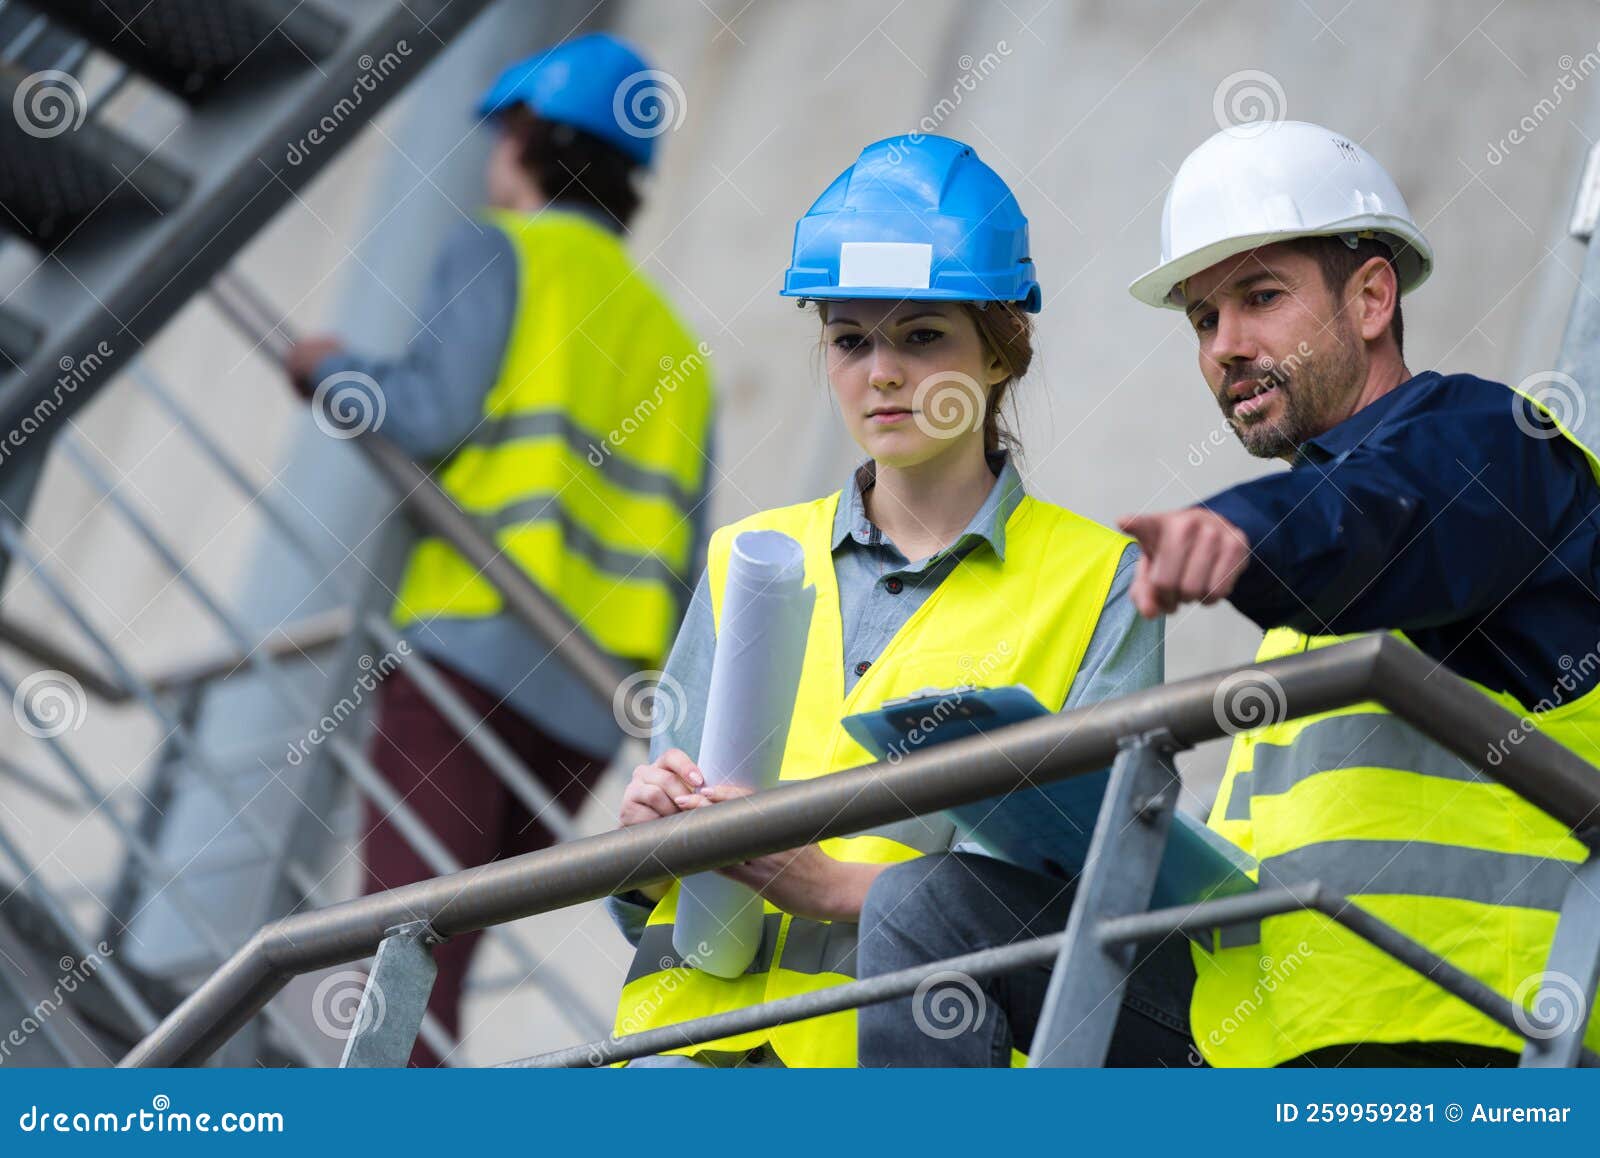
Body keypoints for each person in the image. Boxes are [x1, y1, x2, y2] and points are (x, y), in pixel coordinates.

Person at [604, 133, 1195, 1068]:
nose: (881, 373)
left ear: (1002, 352)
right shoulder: (746, 560)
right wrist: (642, 842)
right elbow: (639, 893)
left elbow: (1094, 887)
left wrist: (835, 886)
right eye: (849, 339)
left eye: (922, 337)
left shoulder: (1100, 581)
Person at [1119, 120, 1600, 1067]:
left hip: (1468, 1046)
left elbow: (1388, 512)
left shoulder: (1496, 448)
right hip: (1274, 1060)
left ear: (1373, 298)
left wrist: (1244, 534)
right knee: (951, 917)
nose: (1226, 346)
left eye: (1260, 298)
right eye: (1205, 320)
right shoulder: (1300, 614)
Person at [282, 33, 715, 1066]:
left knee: (397, 960)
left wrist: (331, 373)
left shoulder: (499, 250)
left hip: (468, 663)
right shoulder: (678, 350)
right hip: (585, 712)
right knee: (437, 958)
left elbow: (426, 415)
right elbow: (693, 567)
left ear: (527, 135)